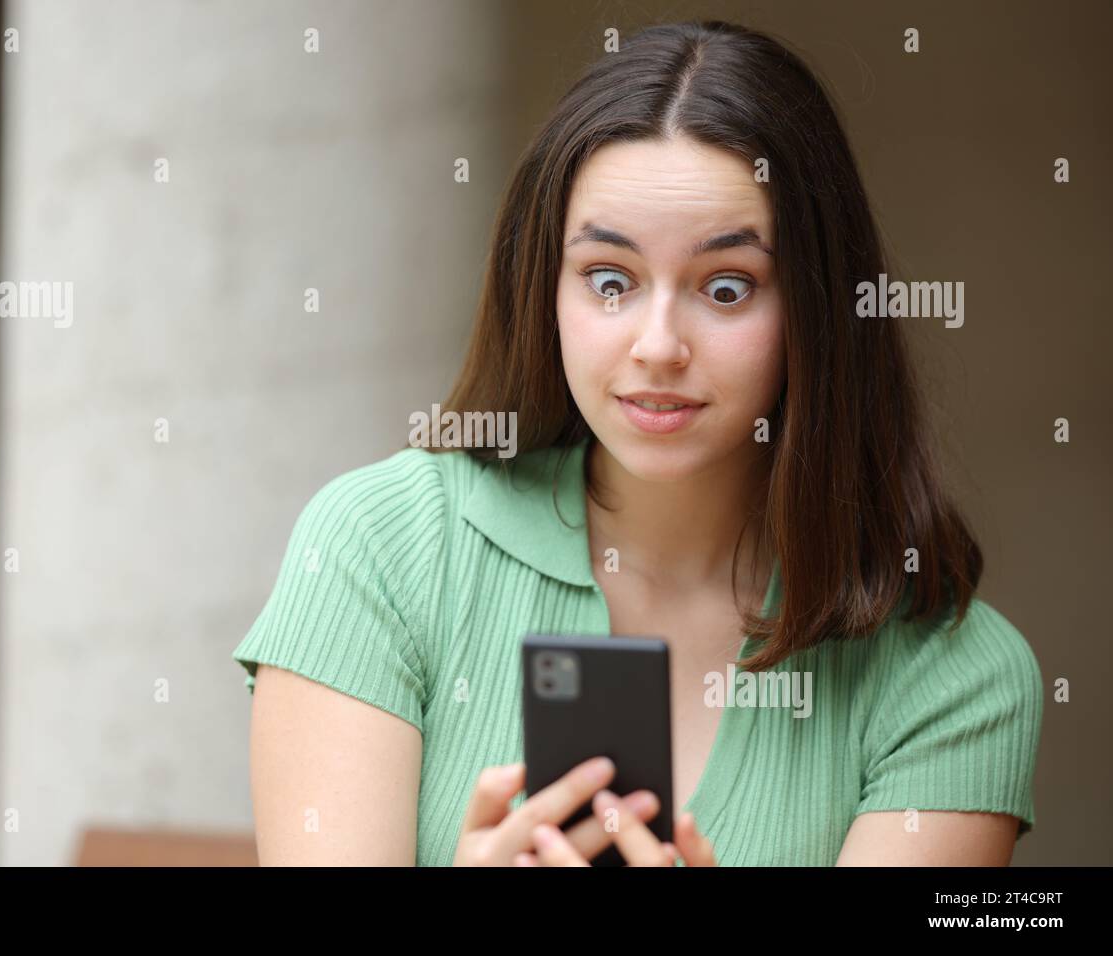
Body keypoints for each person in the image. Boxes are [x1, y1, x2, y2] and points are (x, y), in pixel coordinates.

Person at [232, 20, 1043, 866]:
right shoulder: (378, 550)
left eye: (727, 288)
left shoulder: (957, 681)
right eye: (609, 280)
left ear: (821, 308)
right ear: (543, 284)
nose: (657, 345)